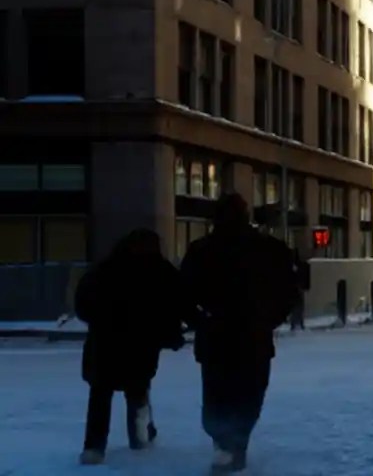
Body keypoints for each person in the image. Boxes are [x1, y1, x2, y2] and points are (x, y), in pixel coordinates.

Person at [181, 193, 298, 473]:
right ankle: (236, 441)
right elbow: (288, 291)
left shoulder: (201, 250)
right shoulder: (270, 249)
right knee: (251, 390)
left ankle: (224, 442)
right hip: (252, 334)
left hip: (216, 335)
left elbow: (182, 294)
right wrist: (270, 319)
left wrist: (198, 320)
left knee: (217, 391)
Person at [74, 228, 186, 465]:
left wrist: (99, 320)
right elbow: (177, 304)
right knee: (138, 390)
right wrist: (173, 334)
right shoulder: (160, 271)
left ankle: (94, 447)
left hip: (105, 343)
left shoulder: (104, 271)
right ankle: (140, 436)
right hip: (141, 345)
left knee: (100, 394)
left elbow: (83, 303)